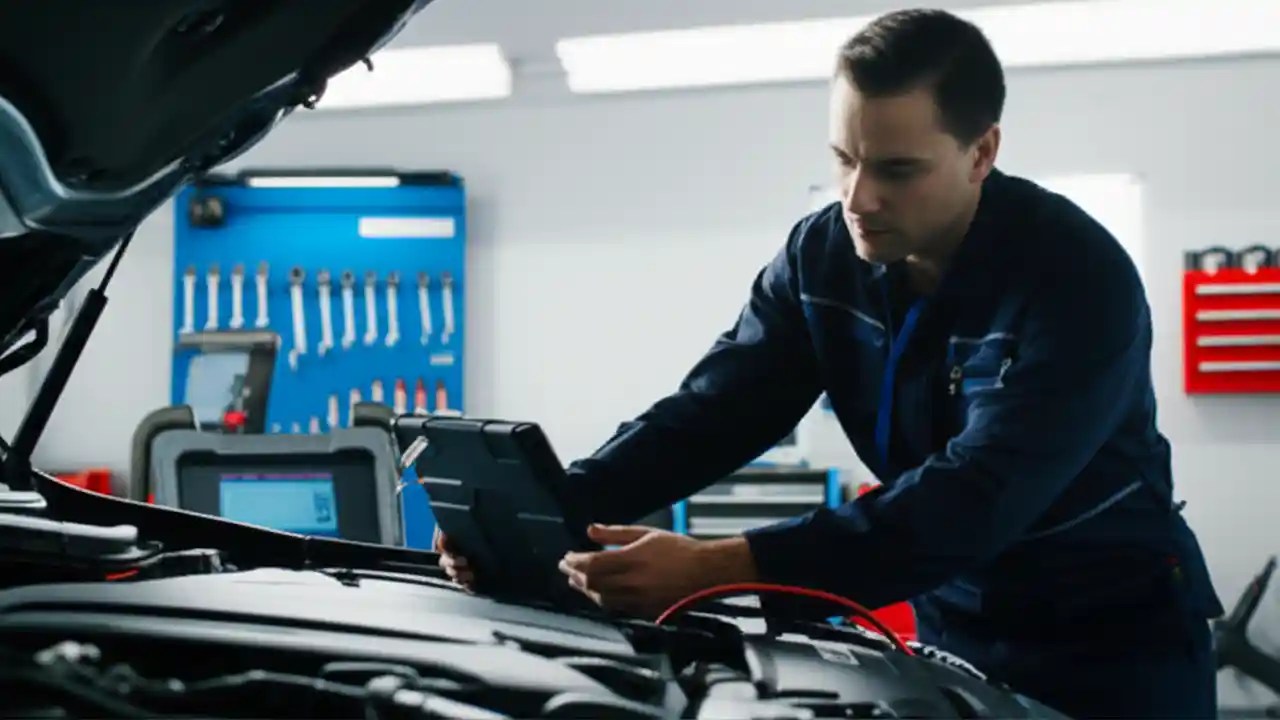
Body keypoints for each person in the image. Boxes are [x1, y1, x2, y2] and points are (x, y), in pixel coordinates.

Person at [437, 8, 1223, 718]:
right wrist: (550, 511)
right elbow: (712, 413)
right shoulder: (823, 256)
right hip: (956, 624)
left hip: (1114, 648)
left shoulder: (1075, 277)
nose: (858, 198)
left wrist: (724, 566)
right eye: (845, 159)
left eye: (896, 170)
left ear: (982, 151)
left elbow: (976, 495)